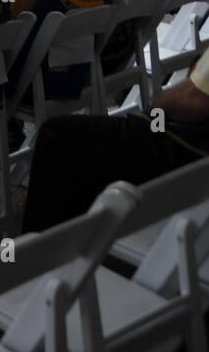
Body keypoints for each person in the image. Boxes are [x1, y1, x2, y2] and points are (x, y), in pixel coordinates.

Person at [21, 60, 209, 232]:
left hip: (189, 155)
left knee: (58, 135)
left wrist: (154, 111)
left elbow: (194, 101)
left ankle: (40, 257)